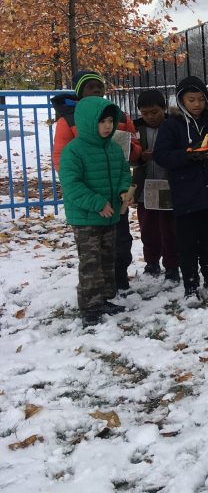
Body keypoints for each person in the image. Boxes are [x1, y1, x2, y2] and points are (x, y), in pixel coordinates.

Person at [52, 70, 141, 292]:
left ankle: (117, 282)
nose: (96, 91)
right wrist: (90, 198)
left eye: (99, 87)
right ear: (80, 92)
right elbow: (63, 163)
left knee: (119, 244)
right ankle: (93, 301)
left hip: (113, 200)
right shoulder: (69, 121)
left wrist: (132, 153)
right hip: (89, 204)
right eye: (90, 87)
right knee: (93, 256)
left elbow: (130, 152)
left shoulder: (118, 116)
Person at [154, 76, 208, 300]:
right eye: (191, 99)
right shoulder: (172, 124)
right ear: (181, 100)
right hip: (185, 194)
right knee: (187, 243)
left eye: (201, 99)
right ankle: (191, 285)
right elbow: (161, 155)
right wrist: (188, 155)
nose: (197, 104)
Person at [57, 96, 132, 325]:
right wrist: (97, 203)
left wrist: (122, 191)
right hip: (87, 217)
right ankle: (90, 308)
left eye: (110, 121)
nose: (108, 126)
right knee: (91, 263)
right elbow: (72, 184)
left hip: (109, 216)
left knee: (108, 259)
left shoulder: (113, 149)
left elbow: (123, 173)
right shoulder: (74, 151)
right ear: (88, 122)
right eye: (102, 122)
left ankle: (104, 299)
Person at [133, 89, 179, 283]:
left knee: (169, 229)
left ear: (163, 109)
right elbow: (127, 155)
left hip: (168, 185)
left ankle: (172, 266)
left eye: (154, 112)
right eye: (145, 113)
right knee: (148, 228)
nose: (150, 117)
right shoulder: (136, 128)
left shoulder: (174, 126)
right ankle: (151, 262)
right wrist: (139, 157)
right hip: (145, 187)